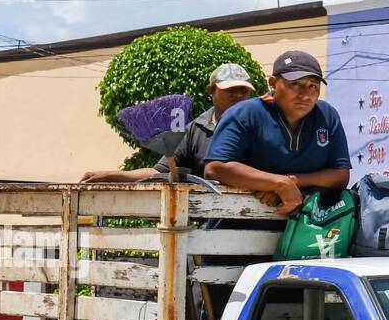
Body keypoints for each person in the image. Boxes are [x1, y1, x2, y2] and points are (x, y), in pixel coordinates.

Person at [203, 50, 351, 215]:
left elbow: (341, 175)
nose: (305, 94)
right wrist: (277, 183)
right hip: (241, 222)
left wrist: (292, 182)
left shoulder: (327, 115)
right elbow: (215, 168)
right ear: (273, 82)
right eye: (295, 84)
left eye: (313, 86)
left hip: (309, 225)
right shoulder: (245, 113)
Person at [80, 63, 256, 183]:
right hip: (211, 222)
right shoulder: (195, 130)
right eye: (231, 90)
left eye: (244, 90)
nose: (239, 95)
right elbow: (159, 172)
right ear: (210, 90)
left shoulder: (262, 124)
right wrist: (112, 175)